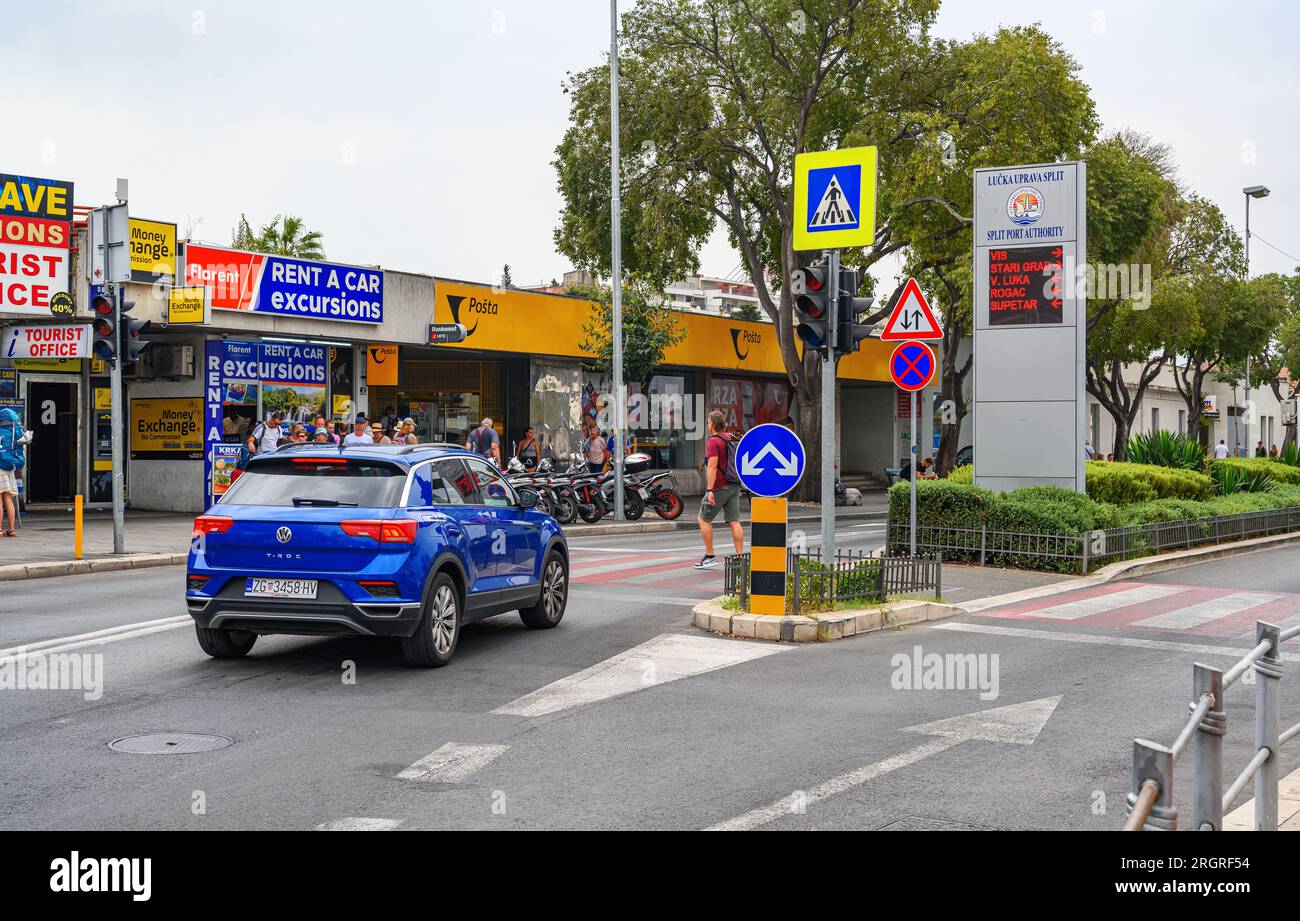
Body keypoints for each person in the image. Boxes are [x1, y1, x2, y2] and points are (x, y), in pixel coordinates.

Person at [694, 410, 743, 570]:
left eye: (708, 422)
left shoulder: (713, 441)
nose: (707, 424)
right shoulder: (730, 438)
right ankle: (740, 557)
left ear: (713, 424)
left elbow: (713, 466)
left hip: (720, 486)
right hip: (734, 484)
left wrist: (710, 490)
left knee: (704, 519)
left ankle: (710, 556)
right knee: (734, 521)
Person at [0, 408, 29, 538]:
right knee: (8, 499)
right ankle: (11, 529)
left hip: (0, 468)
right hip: (10, 467)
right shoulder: (16, 432)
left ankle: (0, 530)